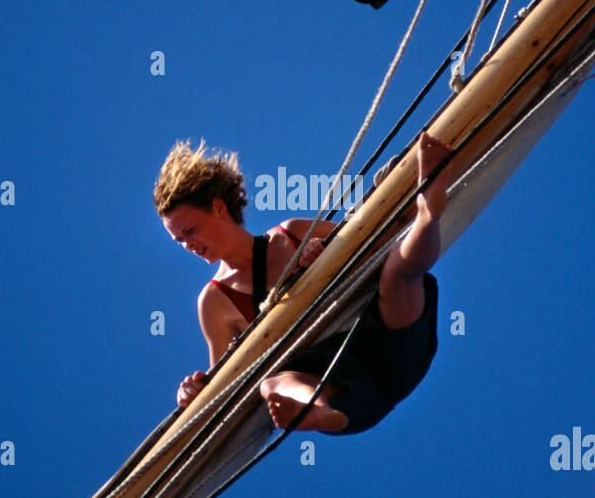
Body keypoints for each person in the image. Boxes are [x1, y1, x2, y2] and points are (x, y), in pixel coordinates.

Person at [153, 130, 452, 434]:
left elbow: (371, 245)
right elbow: (224, 385)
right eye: (178, 241)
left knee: (396, 271)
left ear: (219, 208)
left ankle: (428, 215)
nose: (187, 244)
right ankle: (316, 409)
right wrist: (192, 392)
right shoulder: (215, 301)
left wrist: (326, 253)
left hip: (388, 338)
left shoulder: (292, 233)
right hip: (344, 390)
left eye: (190, 230)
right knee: (271, 385)